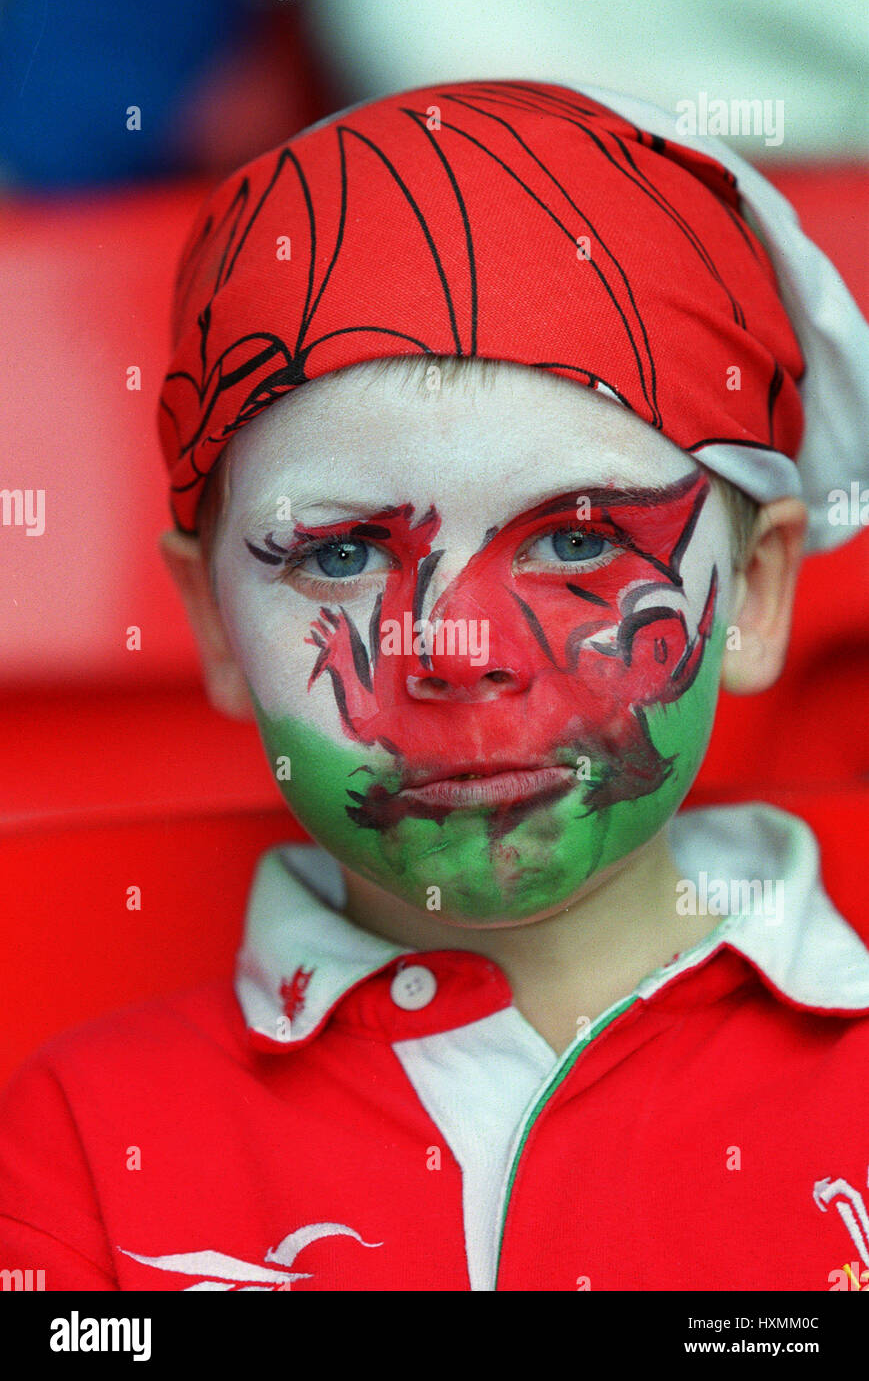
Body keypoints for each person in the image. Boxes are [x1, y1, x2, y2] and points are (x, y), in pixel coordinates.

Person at [0, 79, 867, 1292]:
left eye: (576, 540)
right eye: (341, 555)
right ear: (211, 623)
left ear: (759, 591)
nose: (455, 652)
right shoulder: (81, 1154)